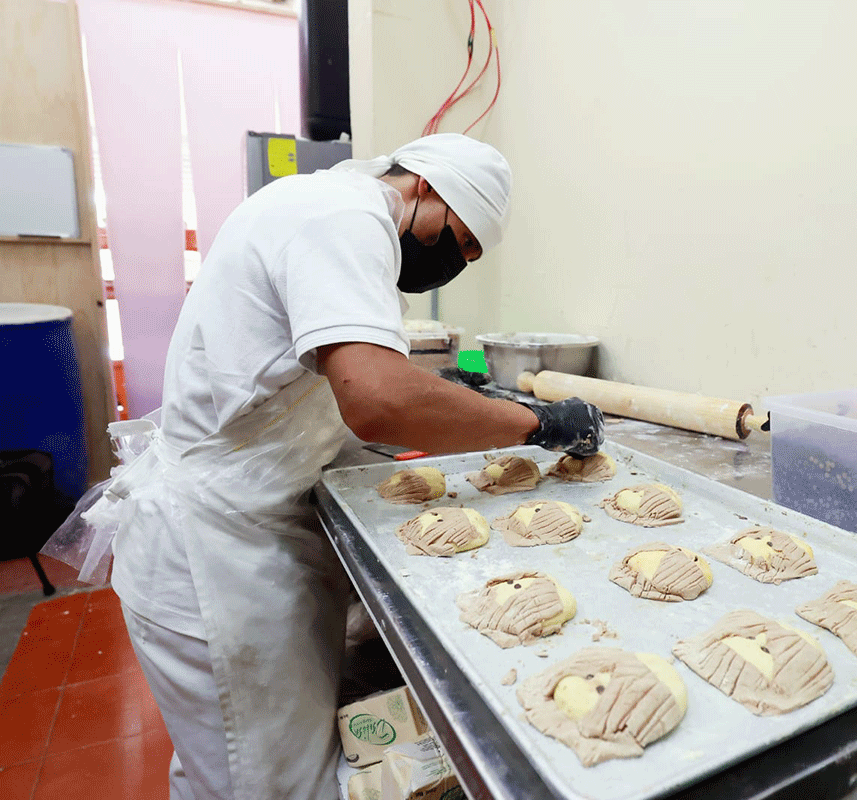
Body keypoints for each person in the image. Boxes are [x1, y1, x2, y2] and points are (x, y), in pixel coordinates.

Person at [107, 133, 604, 800]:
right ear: (426, 187)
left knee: (225, 763)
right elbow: (375, 399)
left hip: (241, 529)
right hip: (216, 556)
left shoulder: (321, 210)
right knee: (266, 781)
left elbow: (313, 405)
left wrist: (463, 406)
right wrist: (536, 424)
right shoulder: (343, 218)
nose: (453, 262)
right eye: (459, 241)